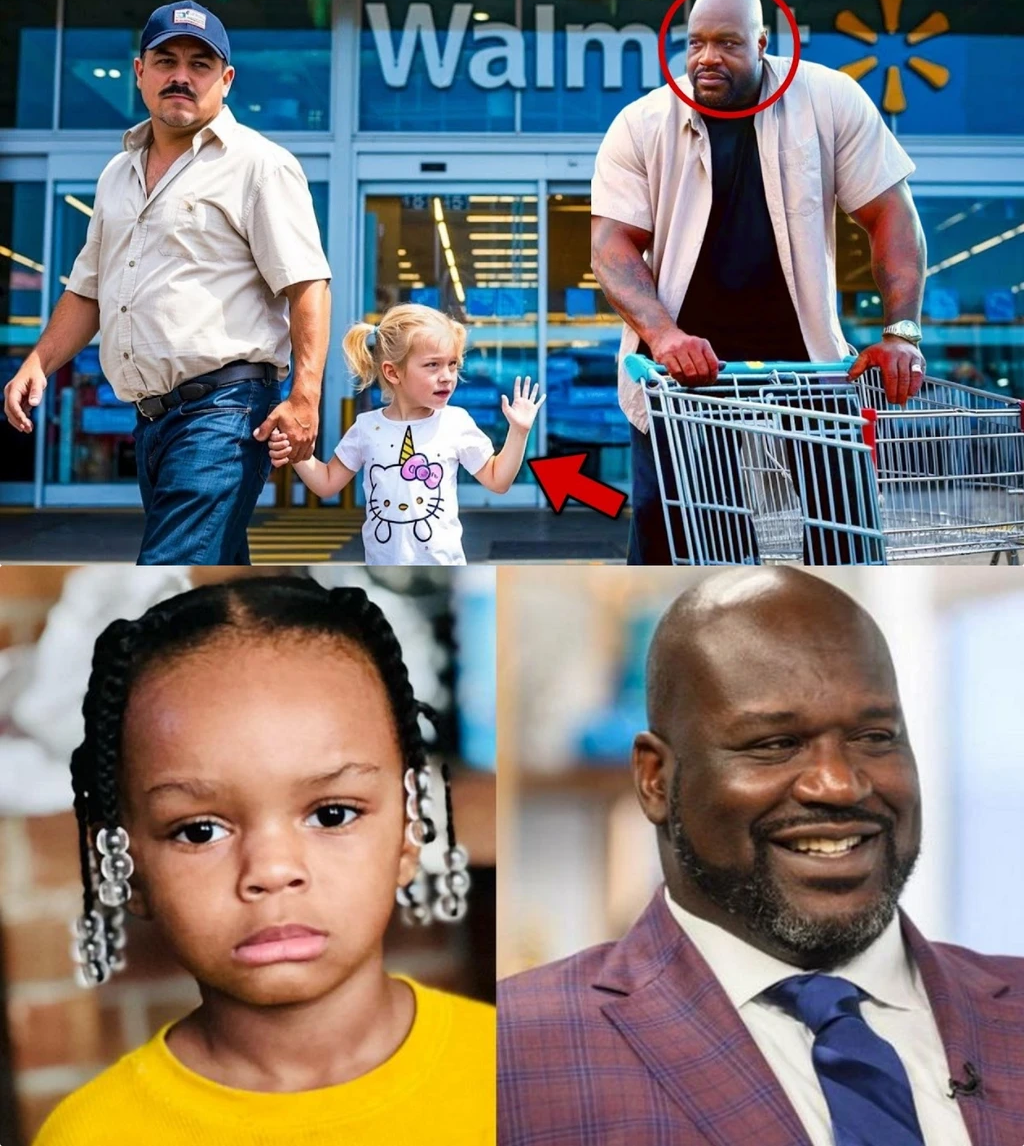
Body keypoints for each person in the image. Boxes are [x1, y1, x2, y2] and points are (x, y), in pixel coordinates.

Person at [498, 567, 1024, 1145]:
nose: (838, 784)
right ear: (655, 780)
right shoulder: (510, 1055)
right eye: (775, 745)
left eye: (874, 737)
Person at [34, 575, 494, 1146]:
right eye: (199, 831)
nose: (272, 871)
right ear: (122, 860)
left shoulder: (515, 1073)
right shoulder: (92, 1134)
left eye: (332, 815)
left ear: (410, 828)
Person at [591, 0, 928, 565]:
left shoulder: (828, 99)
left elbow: (890, 215)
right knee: (684, 543)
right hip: (686, 372)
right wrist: (663, 335)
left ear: (763, 43)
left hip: (810, 364)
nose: (706, 59)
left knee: (845, 536)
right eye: (695, 43)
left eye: (727, 43)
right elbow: (611, 247)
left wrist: (902, 332)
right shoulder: (641, 124)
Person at [2, 1, 331, 566]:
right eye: (166, 60)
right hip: (153, 423)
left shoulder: (258, 165)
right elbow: (89, 290)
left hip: (225, 414)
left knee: (168, 574)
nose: (181, 75)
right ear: (140, 72)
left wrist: (305, 398)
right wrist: (40, 361)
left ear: (225, 80)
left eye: (200, 64)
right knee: (208, 588)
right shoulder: (117, 173)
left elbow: (307, 286)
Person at [269, 303, 545, 565]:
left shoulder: (455, 422)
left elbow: (498, 481)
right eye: (432, 365)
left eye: (452, 364)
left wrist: (519, 432)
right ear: (393, 372)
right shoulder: (367, 427)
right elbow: (327, 483)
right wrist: (295, 450)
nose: (447, 376)